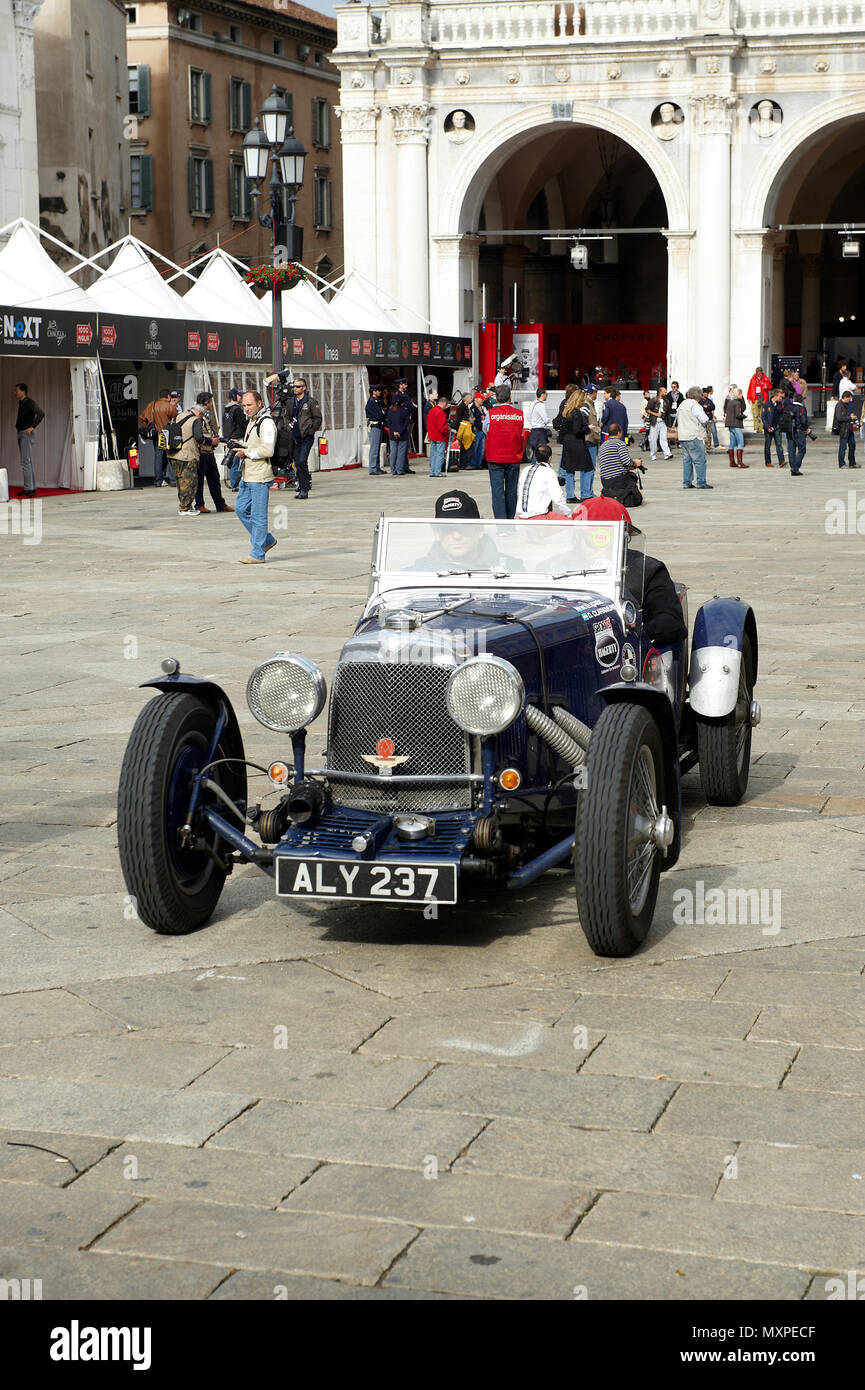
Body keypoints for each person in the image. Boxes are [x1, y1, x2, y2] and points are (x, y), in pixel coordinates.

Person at [572, 497, 687, 647]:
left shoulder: (647, 569)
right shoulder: (557, 565)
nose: (593, 546)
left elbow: (671, 623)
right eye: (583, 537)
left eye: (599, 538)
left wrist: (634, 631)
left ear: (622, 538)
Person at [232, 389, 278, 562]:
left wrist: (247, 453)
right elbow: (253, 443)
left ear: (259, 403)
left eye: (249, 405)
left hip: (260, 476)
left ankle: (258, 553)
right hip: (248, 474)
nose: (246, 408)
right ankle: (266, 539)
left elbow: (268, 449)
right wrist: (240, 445)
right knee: (241, 509)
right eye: (243, 405)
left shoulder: (266, 422)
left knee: (259, 516)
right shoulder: (253, 420)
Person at [484, 382, 525, 519]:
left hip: (495, 456)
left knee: (497, 491)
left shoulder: (491, 414)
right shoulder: (519, 414)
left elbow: (486, 430)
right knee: (512, 491)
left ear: (496, 398)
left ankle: (501, 523)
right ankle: (510, 520)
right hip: (513, 456)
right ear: (510, 397)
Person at [166, 401, 208, 516]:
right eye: (202, 415)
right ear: (199, 413)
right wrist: (207, 441)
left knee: (180, 481)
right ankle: (185, 508)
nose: (202, 418)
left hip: (173, 454)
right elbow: (199, 438)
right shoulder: (196, 420)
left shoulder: (178, 416)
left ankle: (184, 505)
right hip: (187, 455)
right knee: (189, 482)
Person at [553, 387, 593, 503]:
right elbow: (577, 431)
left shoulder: (567, 412)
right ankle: (586, 494)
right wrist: (587, 428)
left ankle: (570, 495)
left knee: (569, 471)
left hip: (567, 443)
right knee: (588, 468)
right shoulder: (577, 413)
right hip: (577, 444)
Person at [193, 392, 231, 513]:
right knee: (199, 481)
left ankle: (220, 504)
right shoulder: (197, 417)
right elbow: (197, 436)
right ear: (206, 402)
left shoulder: (204, 416)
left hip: (209, 452)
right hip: (201, 452)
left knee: (214, 478)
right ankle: (199, 505)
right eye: (210, 401)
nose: (211, 404)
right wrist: (211, 441)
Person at [515, 443, 572, 519]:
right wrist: (569, 515)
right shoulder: (548, 472)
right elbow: (558, 498)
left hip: (521, 516)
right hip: (537, 516)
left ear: (535, 456)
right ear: (549, 458)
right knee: (572, 525)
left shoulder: (525, 469)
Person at [290, 376, 322, 499]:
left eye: (298, 386)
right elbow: (287, 416)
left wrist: (311, 430)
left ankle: (304, 489)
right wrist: (289, 428)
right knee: (298, 462)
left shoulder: (310, 402)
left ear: (304, 388)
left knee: (302, 461)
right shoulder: (291, 401)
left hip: (306, 436)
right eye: (294, 386)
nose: (295, 388)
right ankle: (303, 485)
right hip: (295, 436)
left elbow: (318, 418)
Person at [139, 387, 178, 488]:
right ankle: (173, 479)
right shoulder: (170, 407)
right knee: (170, 455)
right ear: (168, 396)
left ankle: (158, 481)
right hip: (167, 434)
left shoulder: (152, 405)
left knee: (158, 457)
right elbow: (177, 420)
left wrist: (148, 427)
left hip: (156, 434)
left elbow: (142, 418)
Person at [597, 424, 644, 506]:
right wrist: (636, 462)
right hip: (618, 479)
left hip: (605, 480)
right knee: (633, 478)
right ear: (619, 433)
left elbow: (609, 463)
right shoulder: (619, 444)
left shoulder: (602, 446)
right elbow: (626, 461)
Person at [677, 386, 713, 489]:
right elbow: (704, 419)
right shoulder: (695, 406)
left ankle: (687, 482)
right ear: (698, 395)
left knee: (686, 460)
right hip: (693, 435)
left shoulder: (682, 405)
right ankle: (701, 482)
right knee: (700, 459)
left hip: (683, 436)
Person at [14, 382, 44, 498]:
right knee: (27, 461)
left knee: (25, 461)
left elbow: (41, 413)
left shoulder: (30, 403)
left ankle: (29, 488)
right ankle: (30, 487)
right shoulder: (22, 403)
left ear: (23, 391)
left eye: (17, 390)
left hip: (26, 433)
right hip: (21, 432)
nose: (15, 393)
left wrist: (32, 427)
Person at [222, 388, 247, 491]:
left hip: (229, 438)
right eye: (239, 395)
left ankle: (233, 484)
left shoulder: (226, 410)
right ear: (235, 396)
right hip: (238, 438)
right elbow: (243, 424)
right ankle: (237, 484)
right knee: (239, 463)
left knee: (233, 463)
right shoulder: (237, 410)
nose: (241, 397)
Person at [387, 379, 413, 476]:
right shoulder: (405, 411)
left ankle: (393, 470)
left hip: (393, 433)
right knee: (401, 452)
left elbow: (389, 422)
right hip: (402, 433)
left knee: (393, 452)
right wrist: (400, 432)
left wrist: (393, 431)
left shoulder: (391, 410)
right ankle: (400, 469)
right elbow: (406, 423)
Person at [426, 393, 450, 477]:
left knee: (433, 454)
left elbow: (428, 423)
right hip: (440, 436)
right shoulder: (440, 412)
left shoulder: (432, 410)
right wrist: (447, 430)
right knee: (439, 455)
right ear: (443, 403)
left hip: (432, 435)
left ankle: (432, 471)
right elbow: (442, 426)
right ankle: (437, 472)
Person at [526, 387, 552, 463]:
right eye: (546, 394)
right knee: (541, 453)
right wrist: (549, 420)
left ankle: (534, 468)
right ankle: (538, 469)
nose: (547, 395)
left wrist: (533, 422)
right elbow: (545, 420)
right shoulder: (541, 405)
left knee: (535, 452)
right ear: (542, 394)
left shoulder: (533, 403)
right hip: (540, 432)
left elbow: (528, 416)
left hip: (534, 431)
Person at [365, 382, 386, 475]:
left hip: (378, 425)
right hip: (374, 426)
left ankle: (376, 466)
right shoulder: (372, 402)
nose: (380, 392)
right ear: (374, 391)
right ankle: (373, 468)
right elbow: (379, 414)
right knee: (374, 447)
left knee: (377, 447)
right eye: (378, 390)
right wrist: (383, 414)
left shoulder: (377, 401)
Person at [761, 390, 786, 467]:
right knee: (767, 445)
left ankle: (781, 461)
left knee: (779, 444)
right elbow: (763, 417)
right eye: (779, 396)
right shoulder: (766, 404)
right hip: (769, 428)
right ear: (775, 396)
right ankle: (768, 462)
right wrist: (767, 427)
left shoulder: (779, 404)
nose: (781, 398)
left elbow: (781, 413)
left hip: (777, 427)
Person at [789, 393, 812, 475]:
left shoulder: (789, 407)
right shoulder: (802, 408)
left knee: (791, 450)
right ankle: (795, 468)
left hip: (789, 431)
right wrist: (807, 429)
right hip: (799, 431)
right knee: (802, 450)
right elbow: (803, 421)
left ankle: (792, 467)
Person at [724, 387, 747, 468]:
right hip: (736, 424)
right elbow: (738, 414)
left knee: (731, 444)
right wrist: (743, 416)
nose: (742, 395)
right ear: (739, 394)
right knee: (740, 443)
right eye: (741, 394)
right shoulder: (737, 403)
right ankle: (740, 463)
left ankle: (732, 462)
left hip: (730, 424)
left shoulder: (730, 402)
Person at [836, 390, 860, 469]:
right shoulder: (839, 405)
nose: (850, 400)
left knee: (852, 445)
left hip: (849, 428)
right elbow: (839, 418)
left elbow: (845, 415)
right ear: (845, 397)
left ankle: (852, 462)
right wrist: (850, 417)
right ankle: (841, 463)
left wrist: (850, 416)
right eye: (849, 398)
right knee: (843, 447)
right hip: (844, 429)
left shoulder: (846, 405)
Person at [646, 386, 672, 459]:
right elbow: (647, 409)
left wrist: (668, 425)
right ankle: (653, 454)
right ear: (660, 392)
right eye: (664, 392)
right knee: (653, 439)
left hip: (663, 422)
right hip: (655, 422)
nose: (666, 393)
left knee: (664, 438)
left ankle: (667, 454)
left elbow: (668, 413)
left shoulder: (667, 401)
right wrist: (656, 414)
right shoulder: (653, 400)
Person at [746, 366, 772, 433]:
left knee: (762, 414)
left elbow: (770, 386)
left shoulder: (766, 379)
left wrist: (767, 387)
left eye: (760, 372)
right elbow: (750, 388)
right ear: (756, 372)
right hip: (755, 398)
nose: (759, 373)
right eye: (758, 372)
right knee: (755, 414)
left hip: (763, 398)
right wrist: (748, 396)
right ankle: (756, 428)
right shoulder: (753, 379)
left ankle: (762, 428)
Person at [701, 386, 719, 452]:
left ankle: (708, 446)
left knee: (710, 433)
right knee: (703, 433)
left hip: (710, 418)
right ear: (703, 393)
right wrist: (706, 407)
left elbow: (713, 407)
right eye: (706, 393)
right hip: (703, 419)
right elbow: (701, 408)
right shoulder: (700, 401)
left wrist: (707, 407)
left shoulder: (709, 400)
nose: (707, 394)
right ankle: (704, 446)